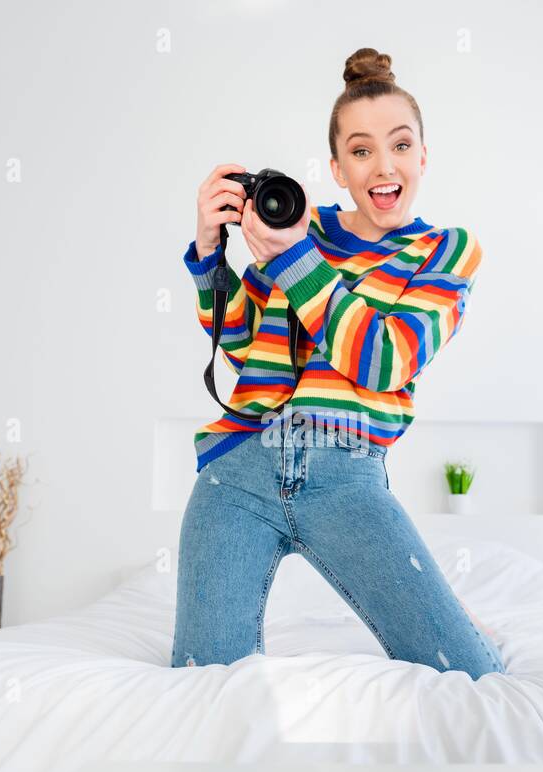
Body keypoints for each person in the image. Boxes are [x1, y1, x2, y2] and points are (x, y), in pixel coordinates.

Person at [172, 47, 504, 679]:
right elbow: (241, 343)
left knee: (470, 671)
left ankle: (455, 611)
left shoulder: (447, 251)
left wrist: (295, 262)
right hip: (236, 470)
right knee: (201, 679)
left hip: (345, 474)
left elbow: (386, 359)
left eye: (400, 145)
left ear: (424, 156)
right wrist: (211, 253)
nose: (383, 166)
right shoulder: (297, 223)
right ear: (337, 168)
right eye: (360, 151)